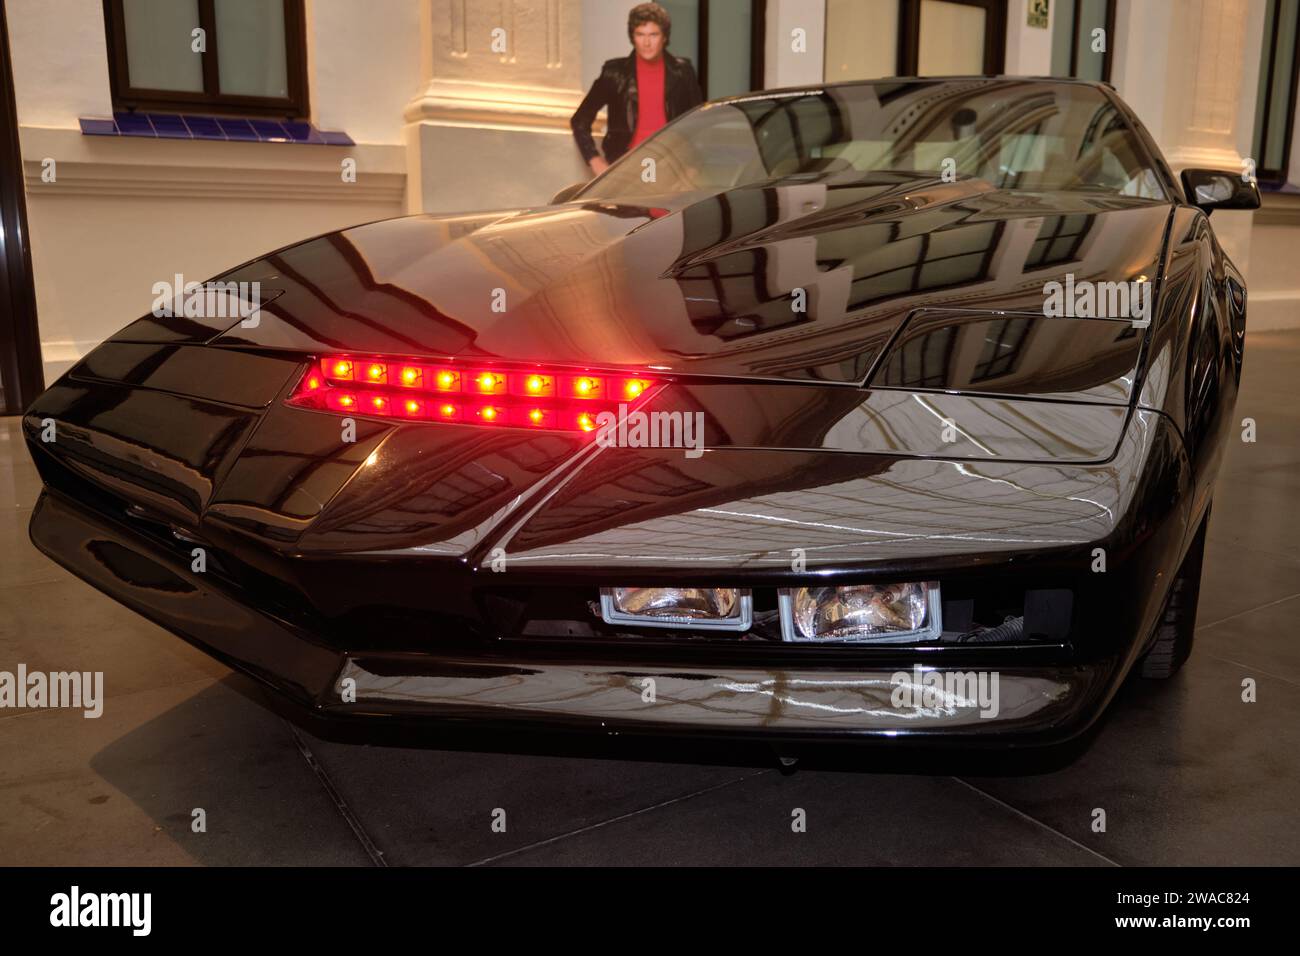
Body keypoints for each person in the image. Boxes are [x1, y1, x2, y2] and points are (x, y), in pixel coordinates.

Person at [570, 3, 703, 176]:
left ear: (664, 37)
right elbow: (580, 120)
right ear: (633, 37)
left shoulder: (682, 72)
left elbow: (699, 122)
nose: (647, 43)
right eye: (640, 34)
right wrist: (595, 161)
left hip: (672, 165)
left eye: (653, 34)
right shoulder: (614, 73)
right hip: (627, 166)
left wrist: (692, 166)